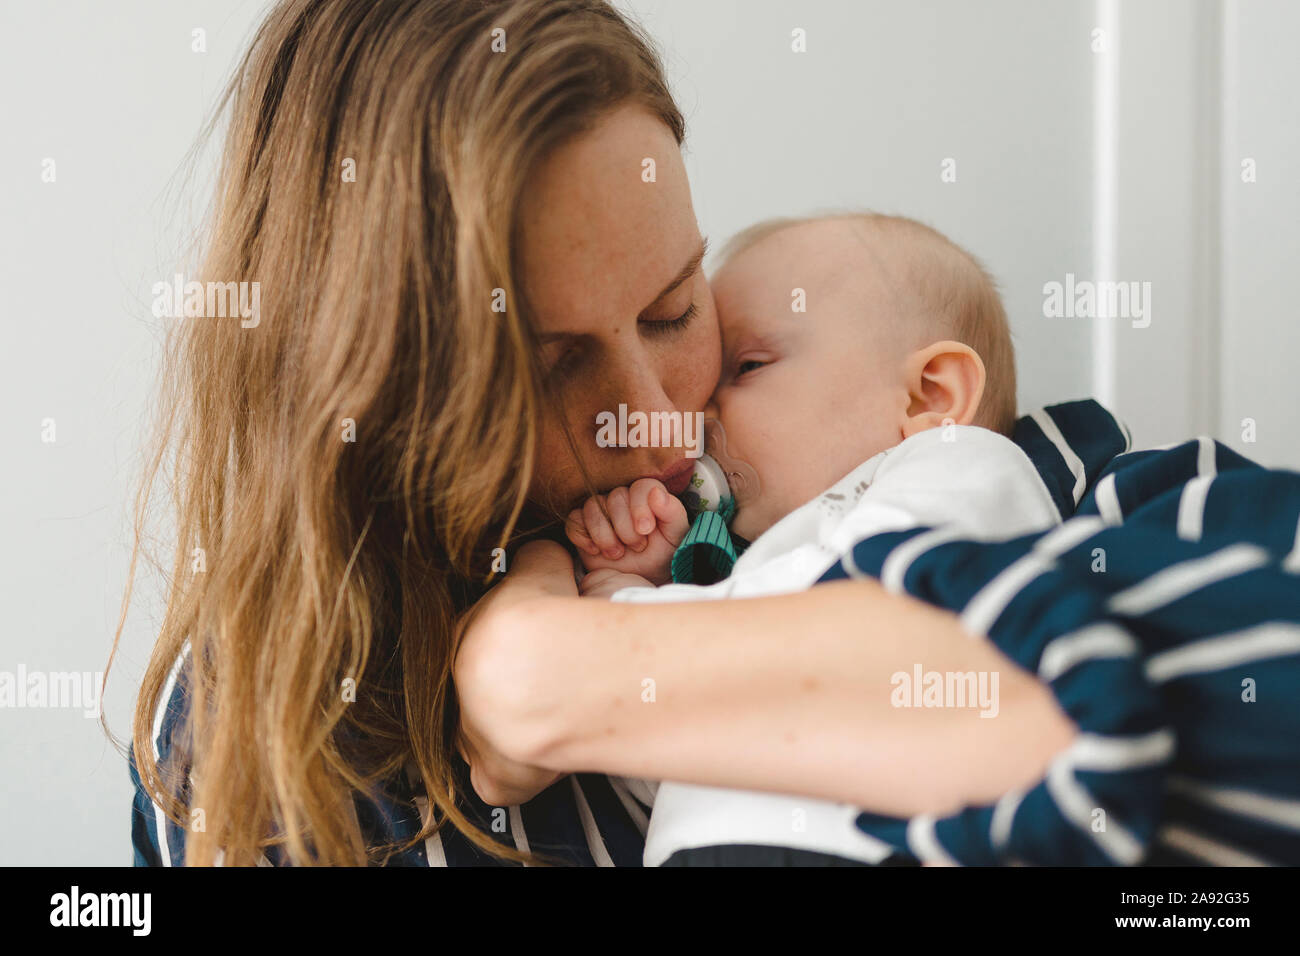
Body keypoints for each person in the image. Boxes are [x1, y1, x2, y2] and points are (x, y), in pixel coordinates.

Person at [121, 0, 1081, 867]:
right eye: (552, 367)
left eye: (675, 310)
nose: (664, 419)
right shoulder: (250, 760)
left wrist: (544, 666)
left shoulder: (969, 466)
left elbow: (1091, 699)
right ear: (387, 394)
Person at [564, 212, 1069, 865]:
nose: (697, 417)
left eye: (748, 366)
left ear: (930, 398)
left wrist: (625, 621)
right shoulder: (760, 564)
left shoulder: (956, 467)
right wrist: (644, 585)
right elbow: (668, 761)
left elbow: (873, 621)